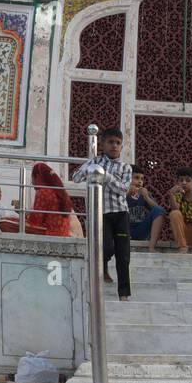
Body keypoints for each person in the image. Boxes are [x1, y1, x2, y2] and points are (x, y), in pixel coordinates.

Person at [72, 127, 134, 299]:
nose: (114, 146)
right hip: (102, 213)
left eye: (118, 143)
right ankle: (103, 266)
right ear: (102, 144)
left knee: (124, 255)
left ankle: (124, 293)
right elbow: (76, 177)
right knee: (105, 247)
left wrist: (104, 175)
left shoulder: (125, 167)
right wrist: (90, 169)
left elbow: (123, 190)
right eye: (110, 142)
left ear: (121, 146)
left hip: (121, 213)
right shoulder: (94, 162)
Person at [27, 162, 75, 237]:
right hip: (64, 234)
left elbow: (35, 222)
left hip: (49, 234)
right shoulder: (61, 192)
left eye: (32, 177)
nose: (32, 182)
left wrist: (23, 214)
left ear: (38, 176)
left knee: (6, 222)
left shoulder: (43, 192)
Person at [127, 170, 167, 249]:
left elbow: (158, 210)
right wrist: (127, 193)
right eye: (136, 178)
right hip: (124, 231)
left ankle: (151, 247)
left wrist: (146, 197)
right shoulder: (121, 192)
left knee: (160, 210)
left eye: (142, 179)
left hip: (140, 230)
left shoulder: (144, 194)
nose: (140, 181)